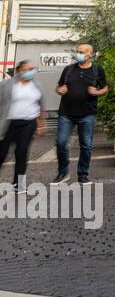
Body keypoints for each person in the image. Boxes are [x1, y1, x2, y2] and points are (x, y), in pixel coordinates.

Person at [53, 43, 108, 185]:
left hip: (87, 114)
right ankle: (63, 172)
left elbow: (105, 88)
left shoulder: (97, 70)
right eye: (77, 51)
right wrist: (59, 90)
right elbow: (58, 87)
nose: (78, 54)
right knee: (60, 143)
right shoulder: (69, 69)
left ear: (90, 54)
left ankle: (82, 175)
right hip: (66, 113)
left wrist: (97, 92)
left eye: (81, 52)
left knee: (86, 146)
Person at [0, 61, 46, 192]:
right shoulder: (6, 85)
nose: (30, 71)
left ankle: (18, 185)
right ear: (18, 71)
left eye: (32, 68)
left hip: (28, 123)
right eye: (27, 69)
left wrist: (41, 125)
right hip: (8, 124)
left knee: (22, 152)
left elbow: (41, 106)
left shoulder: (37, 85)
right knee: (1, 154)